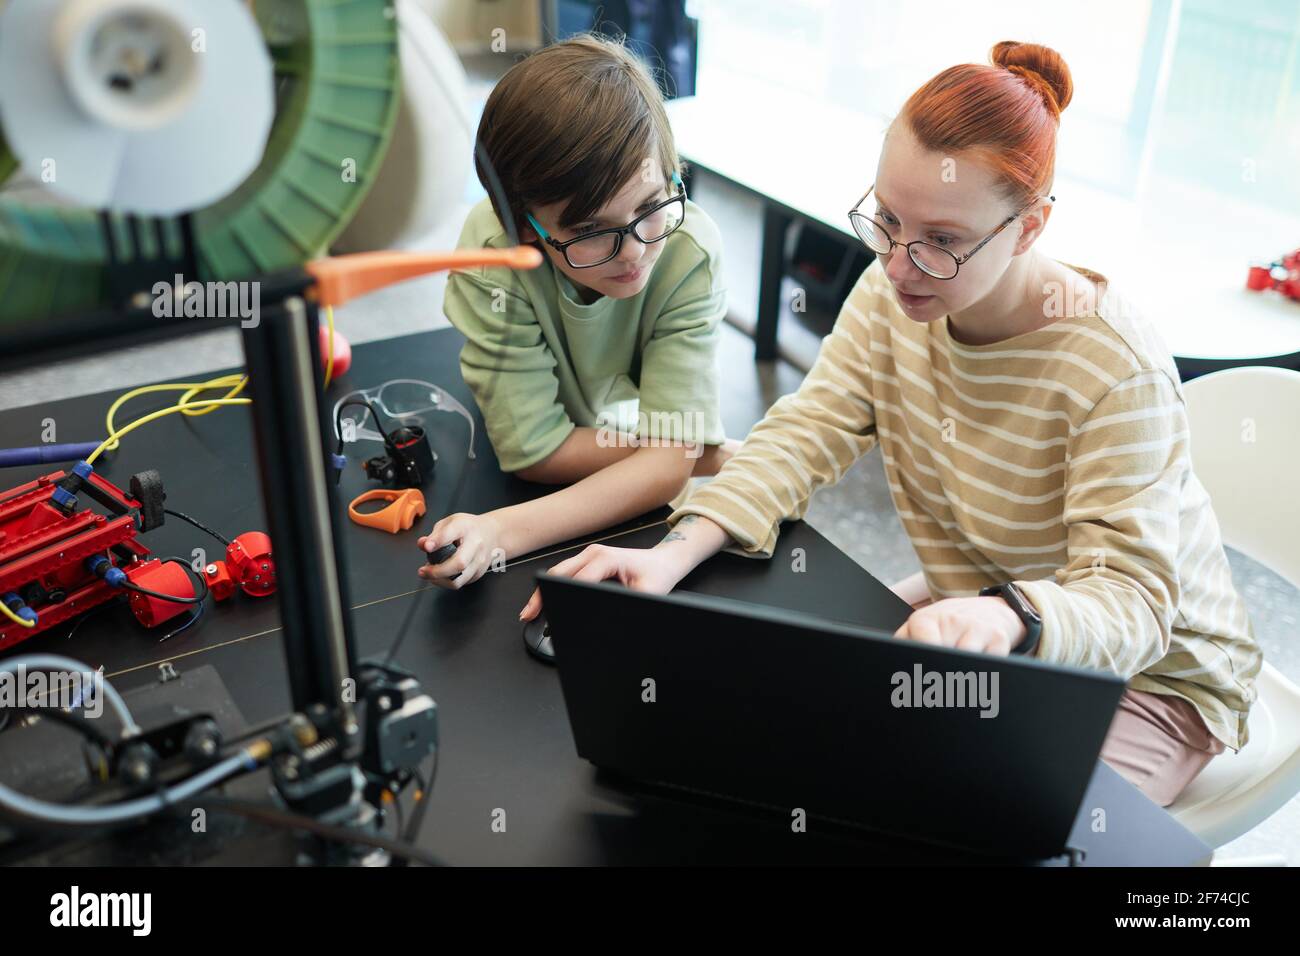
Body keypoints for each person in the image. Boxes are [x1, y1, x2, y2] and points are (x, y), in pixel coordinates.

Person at [521, 41, 1262, 807]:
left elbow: (1135, 603)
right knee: (790, 736)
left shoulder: (1115, 370)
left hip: (1151, 679)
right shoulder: (896, 292)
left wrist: (1010, 616)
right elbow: (807, 431)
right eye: (887, 219)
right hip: (980, 607)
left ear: (1032, 227)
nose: (900, 264)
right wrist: (674, 553)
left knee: (957, 809)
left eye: (942, 240)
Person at [422, 34, 738, 589]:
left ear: (675, 172)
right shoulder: (494, 257)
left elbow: (664, 469)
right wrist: (683, 453)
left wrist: (674, 456)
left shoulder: (690, 250)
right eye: (591, 231)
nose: (636, 250)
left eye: (650, 205)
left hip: (598, 432)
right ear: (525, 226)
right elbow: (535, 451)